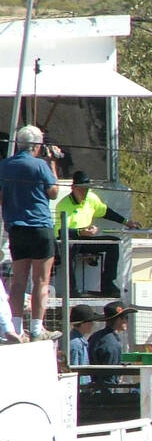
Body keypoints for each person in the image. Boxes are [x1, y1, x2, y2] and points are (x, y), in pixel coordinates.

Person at [0, 124, 59, 339]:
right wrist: (53, 164)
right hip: (40, 227)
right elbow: (53, 192)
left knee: (18, 280)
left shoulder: (4, 166)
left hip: (16, 229)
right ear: (35, 145)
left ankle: (16, 327)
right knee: (41, 280)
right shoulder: (40, 165)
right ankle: (36, 328)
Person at [52, 169, 141, 296]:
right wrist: (80, 232)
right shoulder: (63, 205)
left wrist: (126, 222)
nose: (85, 192)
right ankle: (71, 289)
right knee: (68, 247)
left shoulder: (91, 198)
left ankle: (108, 285)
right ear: (73, 188)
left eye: (87, 188)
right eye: (82, 189)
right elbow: (60, 232)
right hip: (70, 240)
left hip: (85, 240)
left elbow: (105, 212)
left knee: (113, 242)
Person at [88, 299, 133, 375]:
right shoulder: (111, 342)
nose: (127, 321)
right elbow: (110, 374)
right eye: (125, 317)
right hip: (105, 385)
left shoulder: (97, 336)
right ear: (119, 319)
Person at [66, 303, 98, 370]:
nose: (92, 324)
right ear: (83, 323)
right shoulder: (76, 343)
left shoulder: (77, 340)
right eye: (90, 321)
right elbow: (75, 369)